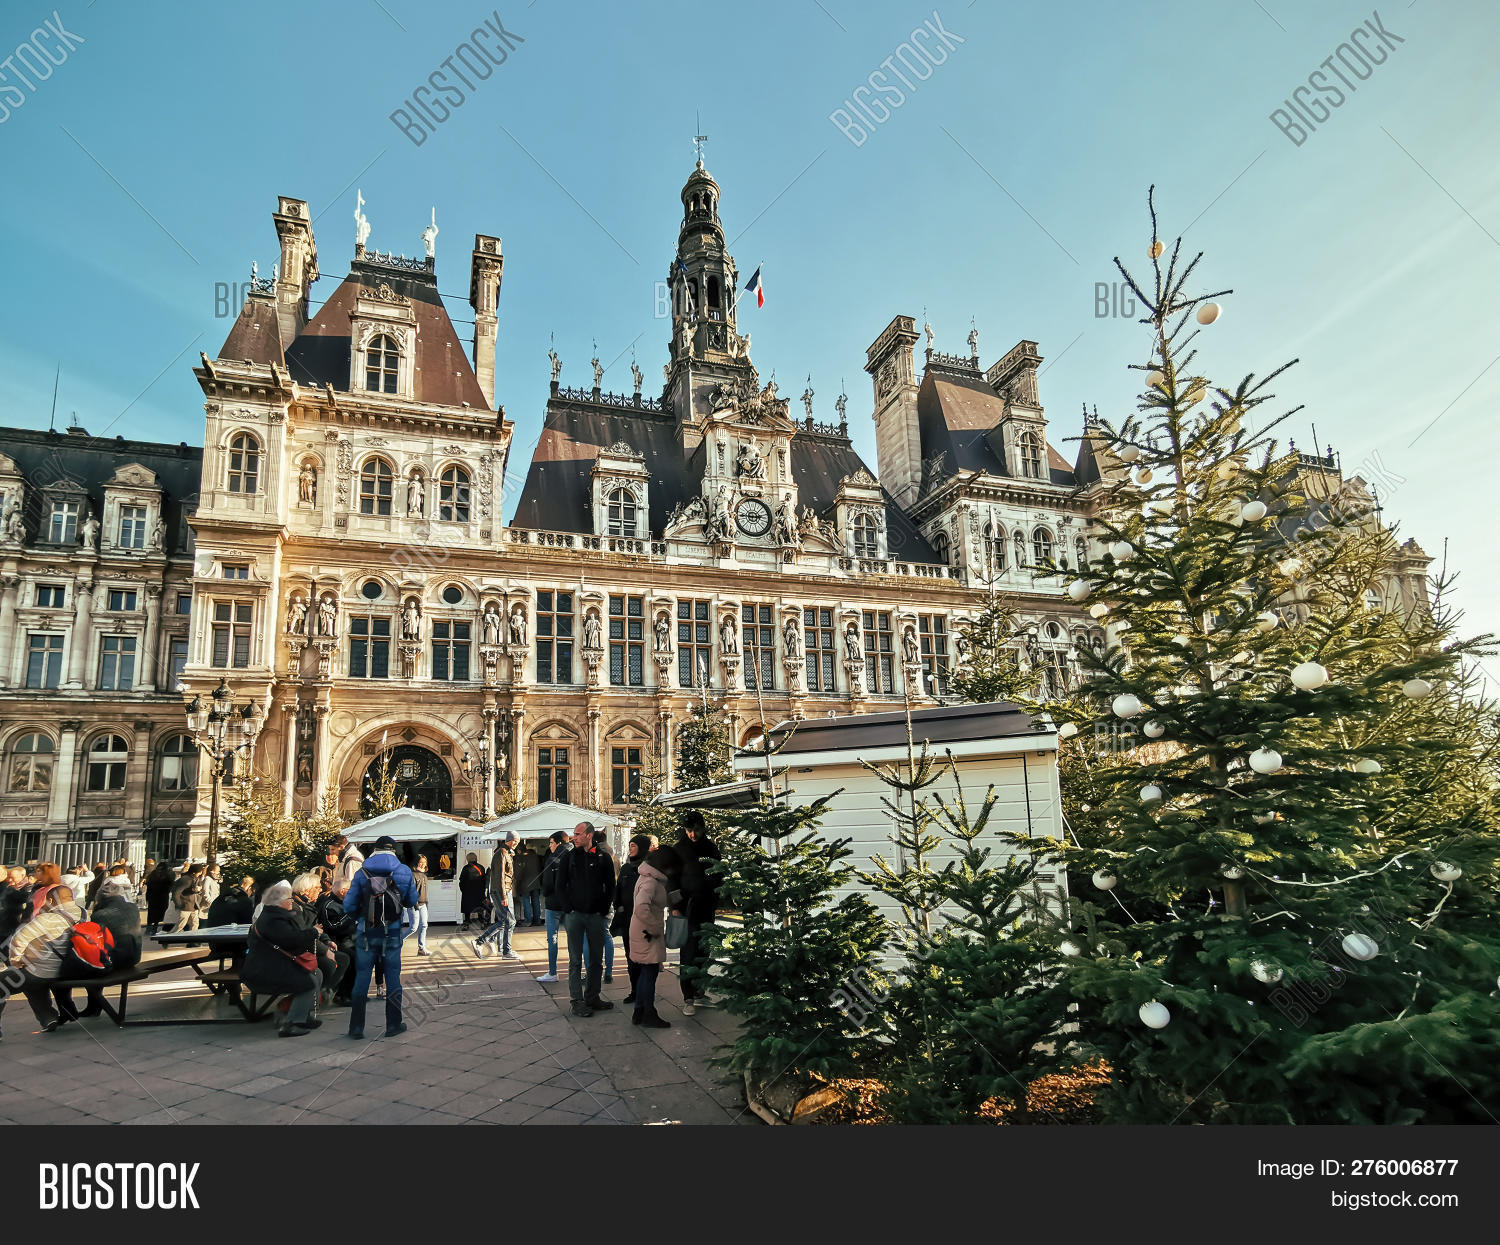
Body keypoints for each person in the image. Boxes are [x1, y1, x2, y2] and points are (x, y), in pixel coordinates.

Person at [343, 835, 418, 1040]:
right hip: (391, 933)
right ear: (393, 851)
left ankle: (356, 1028)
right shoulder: (403, 871)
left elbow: (348, 905)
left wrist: (362, 917)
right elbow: (411, 901)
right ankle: (393, 1024)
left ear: (374, 850)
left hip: (366, 933)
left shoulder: (362, 872)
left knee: (362, 978)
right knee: (393, 977)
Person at [242, 880, 323, 1038]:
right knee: (308, 981)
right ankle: (290, 1024)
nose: (292, 901)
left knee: (316, 974)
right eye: (289, 899)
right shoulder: (273, 920)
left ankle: (302, 1016)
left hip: (273, 965)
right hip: (264, 970)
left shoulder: (276, 916)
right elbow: (291, 939)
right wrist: (313, 932)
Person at [55, 875, 141, 1020]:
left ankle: (71, 1011)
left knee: (67, 971)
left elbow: (95, 942)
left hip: (116, 961)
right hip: (133, 957)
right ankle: (94, 1006)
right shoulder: (133, 907)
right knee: (95, 961)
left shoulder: (100, 915)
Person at [4, 885, 85, 1033]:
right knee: (30, 979)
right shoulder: (83, 914)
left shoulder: (48, 918)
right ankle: (48, 1018)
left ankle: (48, 1017)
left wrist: (16, 960)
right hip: (69, 969)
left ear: (50, 900)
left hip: (45, 972)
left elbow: (18, 939)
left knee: (21, 978)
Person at [557, 821, 615, 1018]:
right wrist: (568, 909)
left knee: (596, 959)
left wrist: (603, 909)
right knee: (575, 960)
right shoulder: (569, 857)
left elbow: (611, 886)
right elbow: (559, 886)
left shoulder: (603, 857)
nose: (574, 837)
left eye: (578, 834)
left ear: (589, 835)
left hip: (596, 916)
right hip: (575, 915)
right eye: (574, 834)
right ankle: (576, 1001)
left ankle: (593, 996)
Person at [676, 809, 722, 1016]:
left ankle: (699, 991)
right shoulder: (679, 849)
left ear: (702, 828)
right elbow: (671, 880)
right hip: (687, 909)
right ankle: (688, 997)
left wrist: (716, 897)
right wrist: (676, 907)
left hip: (707, 907)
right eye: (688, 830)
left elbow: (719, 874)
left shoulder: (711, 848)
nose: (692, 834)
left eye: (695, 830)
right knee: (688, 954)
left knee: (704, 952)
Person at [629, 846, 679, 1029]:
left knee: (646, 971)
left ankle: (640, 1011)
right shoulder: (651, 881)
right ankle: (648, 1013)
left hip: (643, 930)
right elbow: (641, 907)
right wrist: (655, 926)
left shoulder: (647, 876)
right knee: (649, 972)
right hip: (647, 932)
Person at [292, 874, 347, 1009]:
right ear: (305, 891)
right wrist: (325, 950)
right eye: (316, 887)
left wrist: (327, 941)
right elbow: (304, 935)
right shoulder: (296, 908)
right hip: (300, 952)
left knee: (343, 958)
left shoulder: (307, 905)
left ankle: (323, 992)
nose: (320, 890)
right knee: (329, 964)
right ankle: (315, 997)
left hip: (311, 947)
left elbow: (317, 928)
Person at [612, 834, 655, 1005]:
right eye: (630, 845)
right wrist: (618, 906)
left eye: (634, 846)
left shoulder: (650, 868)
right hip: (628, 921)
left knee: (645, 959)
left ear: (642, 848)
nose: (630, 849)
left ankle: (645, 993)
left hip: (645, 922)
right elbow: (618, 890)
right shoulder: (626, 868)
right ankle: (635, 991)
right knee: (631, 958)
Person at [473, 832, 520, 960]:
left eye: (518, 841)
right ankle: (494, 946)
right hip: (501, 891)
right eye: (514, 840)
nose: (516, 843)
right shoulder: (502, 853)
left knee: (505, 921)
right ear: (508, 840)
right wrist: (504, 896)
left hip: (503, 890)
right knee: (509, 921)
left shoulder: (506, 852)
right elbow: (500, 876)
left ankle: (498, 946)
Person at [583, 830, 616, 984]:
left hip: (593, 901)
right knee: (607, 935)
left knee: (587, 937)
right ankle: (609, 972)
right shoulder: (613, 855)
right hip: (608, 900)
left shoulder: (592, 855)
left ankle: (590, 973)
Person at [536, 831, 569, 983]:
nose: (550, 846)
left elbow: (547, 883)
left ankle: (553, 972)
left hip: (553, 903)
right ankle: (576, 971)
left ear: (558, 843)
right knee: (574, 939)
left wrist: (546, 893)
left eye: (551, 843)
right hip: (570, 904)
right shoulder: (575, 855)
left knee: (553, 938)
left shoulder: (552, 858)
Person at [513, 840, 543, 927]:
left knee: (526, 901)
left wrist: (517, 884)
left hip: (525, 883)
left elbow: (518, 872)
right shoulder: (536, 857)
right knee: (535, 900)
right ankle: (537, 920)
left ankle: (528, 921)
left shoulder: (520, 858)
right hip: (536, 882)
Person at [170, 863, 207, 932]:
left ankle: (193, 937)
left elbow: (193, 891)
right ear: (194, 872)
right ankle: (170, 936)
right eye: (199, 872)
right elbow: (176, 892)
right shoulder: (186, 880)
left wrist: (197, 891)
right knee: (181, 924)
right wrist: (179, 904)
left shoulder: (196, 878)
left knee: (195, 923)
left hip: (193, 905)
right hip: (185, 905)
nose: (200, 873)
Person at [458, 852, 487, 932]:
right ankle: (482, 922)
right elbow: (484, 880)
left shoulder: (466, 868)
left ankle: (466, 924)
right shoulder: (481, 867)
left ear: (468, 859)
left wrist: (463, 890)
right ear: (476, 858)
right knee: (480, 908)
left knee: (467, 909)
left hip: (468, 892)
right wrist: (483, 889)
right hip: (479, 892)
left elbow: (462, 880)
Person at [408, 855, 431, 956]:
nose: (423, 864)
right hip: (415, 904)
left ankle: (421, 948)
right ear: (416, 863)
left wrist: (426, 903)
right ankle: (396, 942)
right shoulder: (412, 875)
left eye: (424, 862)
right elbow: (411, 891)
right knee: (413, 928)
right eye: (421, 862)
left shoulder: (424, 876)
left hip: (423, 904)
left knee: (424, 925)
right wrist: (414, 903)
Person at [144, 861, 174, 931]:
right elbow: (170, 885)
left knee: (151, 913)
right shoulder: (168, 874)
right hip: (162, 896)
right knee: (160, 912)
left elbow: (148, 884)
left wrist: (147, 897)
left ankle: (149, 927)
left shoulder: (153, 874)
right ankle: (155, 927)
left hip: (152, 896)